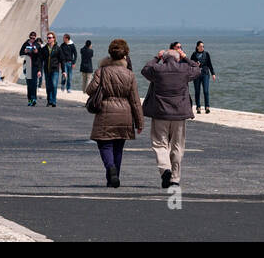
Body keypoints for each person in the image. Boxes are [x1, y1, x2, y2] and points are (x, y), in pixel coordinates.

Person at [141, 46, 202, 189]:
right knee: (177, 146)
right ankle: (175, 178)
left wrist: (157, 57)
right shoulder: (184, 69)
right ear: (177, 58)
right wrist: (185, 57)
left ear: (164, 58)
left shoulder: (158, 70)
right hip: (179, 114)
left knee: (159, 144)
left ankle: (165, 169)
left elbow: (145, 70)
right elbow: (198, 69)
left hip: (161, 113)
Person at [86, 39, 144, 188]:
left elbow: (90, 90)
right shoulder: (130, 74)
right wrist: (140, 122)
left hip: (106, 111)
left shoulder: (102, 71)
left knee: (105, 145)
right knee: (118, 146)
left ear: (110, 54)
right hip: (125, 113)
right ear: (125, 55)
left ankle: (110, 167)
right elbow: (135, 100)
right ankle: (114, 177)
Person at [20, 31, 43, 106]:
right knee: (29, 84)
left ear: (35, 38)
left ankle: (34, 99)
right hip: (27, 66)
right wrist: (24, 51)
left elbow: (40, 58)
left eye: (33, 38)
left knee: (34, 83)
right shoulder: (25, 44)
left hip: (35, 66)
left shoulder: (37, 45)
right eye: (31, 38)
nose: (32, 39)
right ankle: (29, 99)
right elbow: (20, 54)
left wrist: (37, 52)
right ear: (29, 37)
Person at [41, 32, 61, 106]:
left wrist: (64, 71)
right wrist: (39, 70)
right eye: (47, 38)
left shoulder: (58, 48)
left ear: (53, 39)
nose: (48, 39)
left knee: (54, 85)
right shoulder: (44, 49)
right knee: (48, 86)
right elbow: (41, 60)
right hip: (47, 70)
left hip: (55, 70)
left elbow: (61, 59)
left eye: (50, 38)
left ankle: (54, 101)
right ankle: (49, 100)